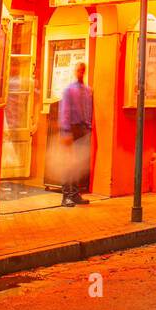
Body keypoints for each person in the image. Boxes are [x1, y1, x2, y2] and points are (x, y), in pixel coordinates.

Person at [57, 61, 93, 206]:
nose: (81, 72)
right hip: (71, 129)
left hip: (83, 129)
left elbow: (88, 110)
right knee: (69, 164)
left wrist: (89, 127)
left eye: (83, 70)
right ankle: (66, 196)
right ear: (75, 71)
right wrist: (65, 131)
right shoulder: (69, 90)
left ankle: (75, 193)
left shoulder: (87, 90)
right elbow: (64, 111)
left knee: (78, 164)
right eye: (79, 70)